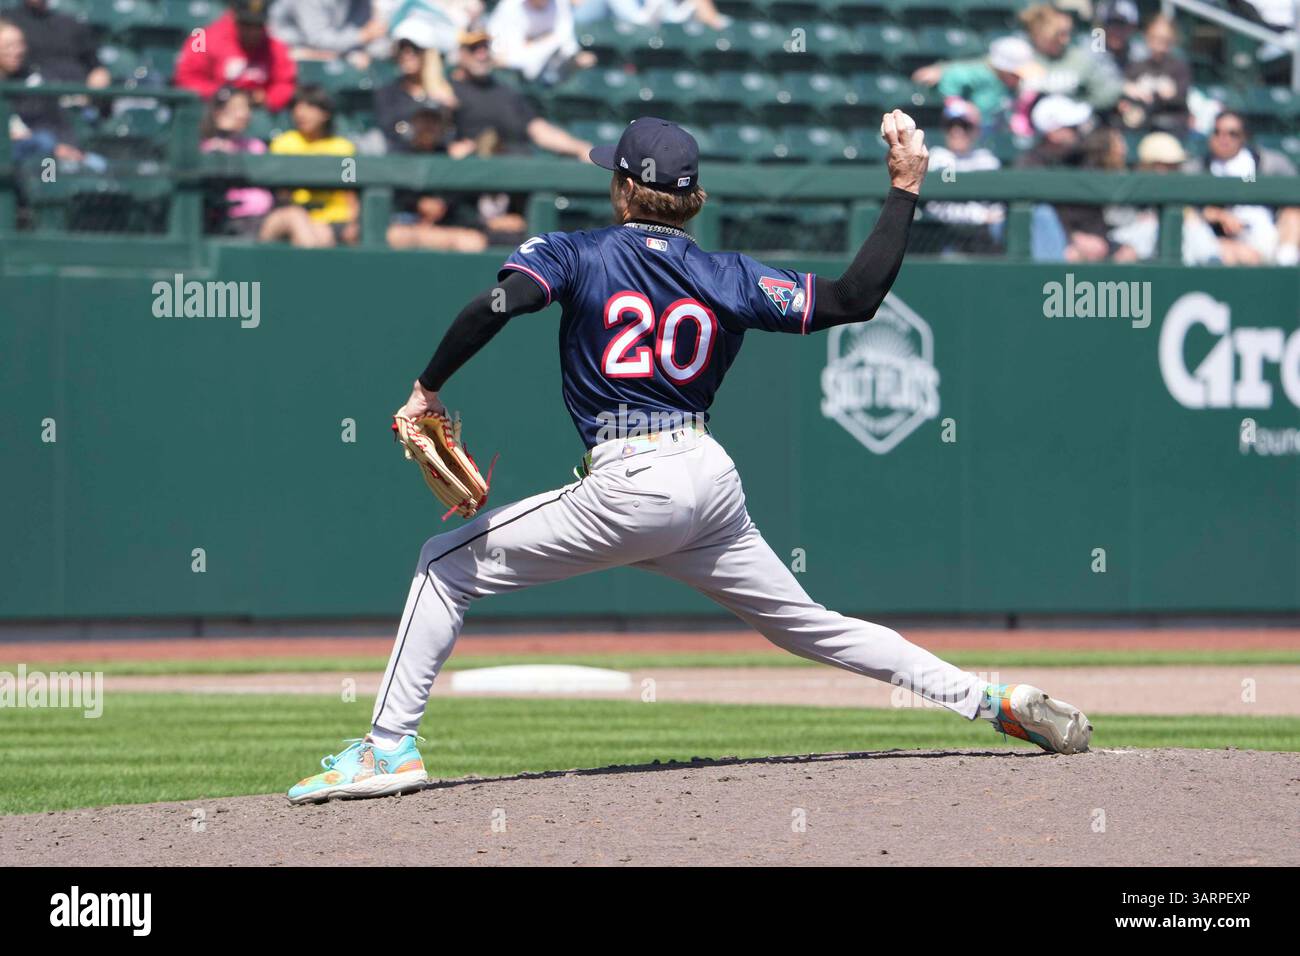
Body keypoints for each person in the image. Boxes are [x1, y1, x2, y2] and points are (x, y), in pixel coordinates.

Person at [285, 112, 1094, 805]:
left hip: (632, 479)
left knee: (441, 565)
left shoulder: (575, 252)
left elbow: (501, 302)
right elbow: (856, 298)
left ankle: (389, 746)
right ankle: (994, 702)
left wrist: (428, 385)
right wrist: (906, 186)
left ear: (623, 189)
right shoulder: (727, 273)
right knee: (812, 626)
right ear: (687, 197)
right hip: (707, 476)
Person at [1184, 110, 1300, 266]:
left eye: (1232, 134)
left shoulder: (1264, 163)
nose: (1224, 139)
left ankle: (1287, 267)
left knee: (1293, 214)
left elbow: (1287, 190)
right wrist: (1219, 215)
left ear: (1243, 137)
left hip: (1270, 232)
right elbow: (1190, 211)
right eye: (1218, 132)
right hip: (1226, 240)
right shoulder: (1198, 168)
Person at [262, 86, 359, 247]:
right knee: (317, 232)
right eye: (297, 108)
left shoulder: (344, 148)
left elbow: (352, 192)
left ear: (325, 113)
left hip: (336, 217)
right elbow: (280, 193)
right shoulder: (283, 144)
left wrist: (354, 223)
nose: (301, 113)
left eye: (310, 107)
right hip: (293, 215)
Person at [386, 106, 489, 251]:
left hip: (446, 225)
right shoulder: (403, 156)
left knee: (472, 242)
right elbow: (398, 195)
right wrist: (419, 203)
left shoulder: (448, 157)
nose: (428, 132)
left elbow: (460, 197)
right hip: (410, 224)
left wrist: (442, 203)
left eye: (432, 127)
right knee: (394, 235)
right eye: (423, 126)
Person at [174, 0, 297, 113]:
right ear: (234, 17)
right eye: (246, 24)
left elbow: (286, 84)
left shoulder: (274, 47)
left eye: (257, 25)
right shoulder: (204, 38)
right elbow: (187, 77)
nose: (252, 31)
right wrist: (221, 94)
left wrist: (267, 98)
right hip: (212, 112)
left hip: (256, 114)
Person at [920, 99, 1003, 254]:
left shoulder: (987, 160)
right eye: (951, 125)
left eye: (965, 126)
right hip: (946, 237)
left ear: (976, 130)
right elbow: (938, 207)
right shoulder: (940, 159)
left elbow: (997, 208)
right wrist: (980, 216)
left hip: (984, 239)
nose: (957, 131)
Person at [913, 35, 1037, 132]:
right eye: (1016, 74)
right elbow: (951, 77)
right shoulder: (980, 73)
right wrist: (959, 105)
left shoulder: (1011, 87)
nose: (1019, 79)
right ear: (1003, 68)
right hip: (971, 132)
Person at [200, 87, 275, 239]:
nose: (243, 113)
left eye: (245, 107)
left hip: (264, 220)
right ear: (217, 113)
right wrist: (222, 138)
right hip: (229, 222)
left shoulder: (256, 146)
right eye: (233, 108)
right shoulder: (208, 147)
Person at [1020, 2, 1122, 112]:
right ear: (1040, 34)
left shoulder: (1080, 59)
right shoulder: (1019, 56)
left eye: (1068, 33)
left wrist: (1079, 107)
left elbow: (1108, 92)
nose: (1066, 40)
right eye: (1059, 34)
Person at [487, 0, 596, 85]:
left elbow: (565, 42)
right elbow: (504, 56)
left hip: (550, 69)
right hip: (513, 74)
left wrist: (533, 42)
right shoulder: (510, 6)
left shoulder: (560, 4)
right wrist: (545, 39)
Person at [4, 0, 109, 87]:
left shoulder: (70, 24)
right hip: (27, 95)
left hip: (74, 93)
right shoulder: (7, 21)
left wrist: (98, 77)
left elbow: (96, 66)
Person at [1119, 15, 1191, 135]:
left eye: (1164, 39)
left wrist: (1171, 93)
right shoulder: (1136, 66)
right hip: (1141, 127)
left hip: (1171, 127)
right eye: (1155, 37)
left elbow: (1181, 96)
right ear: (1147, 37)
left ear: (1172, 40)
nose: (1159, 42)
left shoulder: (1179, 66)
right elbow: (1124, 98)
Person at [270, 0, 391, 65]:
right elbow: (317, 39)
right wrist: (361, 36)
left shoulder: (363, 2)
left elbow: (376, 38)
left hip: (337, 53)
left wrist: (369, 51)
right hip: (293, 53)